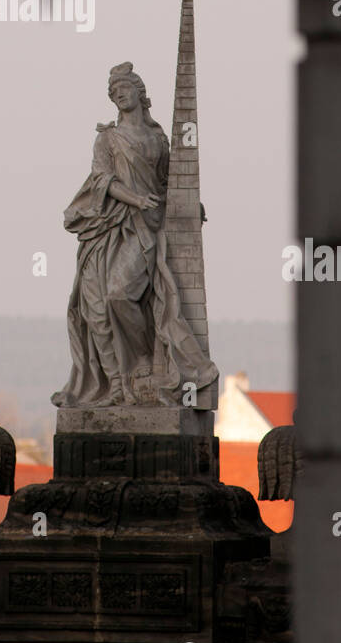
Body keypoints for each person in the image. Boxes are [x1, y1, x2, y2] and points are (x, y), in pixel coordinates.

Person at [51, 62, 218, 407]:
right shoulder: (107, 139)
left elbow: (169, 181)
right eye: (113, 92)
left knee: (120, 293)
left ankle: (146, 363)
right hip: (110, 228)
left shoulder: (157, 138)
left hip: (147, 227)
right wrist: (137, 198)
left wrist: (190, 205)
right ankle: (127, 373)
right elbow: (103, 181)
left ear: (140, 92)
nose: (117, 94)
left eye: (123, 88)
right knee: (105, 301)